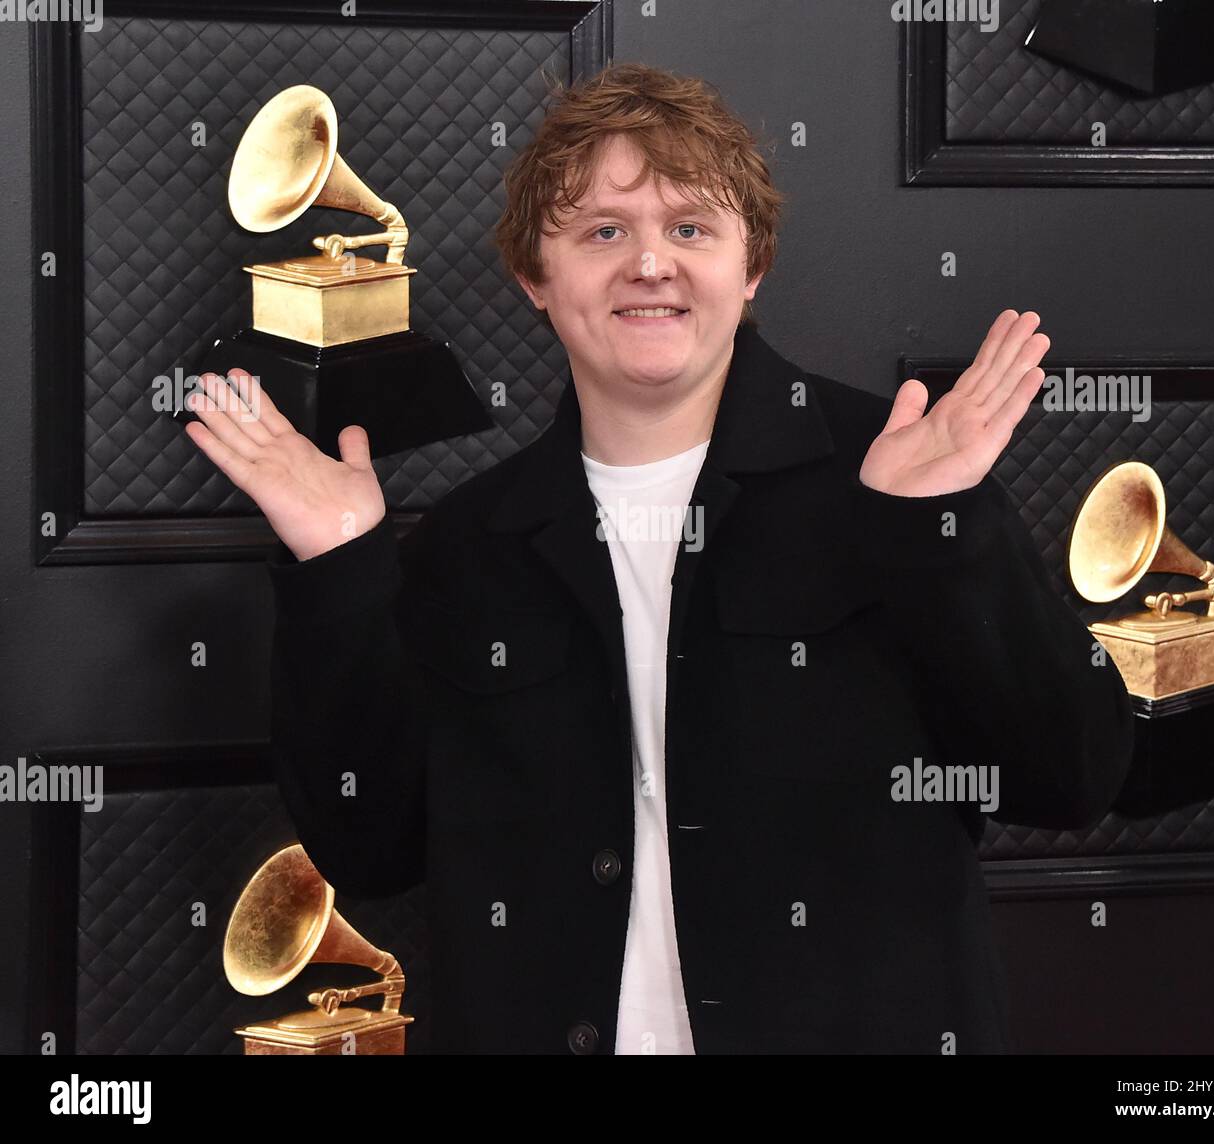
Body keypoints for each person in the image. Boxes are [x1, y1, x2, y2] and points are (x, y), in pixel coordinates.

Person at [181, 63, 1134, 1054]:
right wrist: (339, 566)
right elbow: (369, 844)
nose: (649, 263)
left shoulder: (895, 473)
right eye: (602, 231)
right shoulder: (466, 546)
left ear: (750, 263)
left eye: (689, 228)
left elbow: (1070, 777)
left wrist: (943, 528)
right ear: (533, 276)